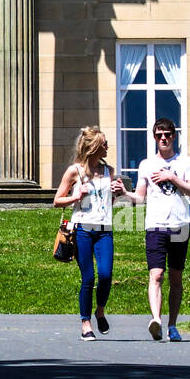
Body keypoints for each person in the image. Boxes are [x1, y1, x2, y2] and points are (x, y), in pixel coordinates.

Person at [118, 118, 190, 342]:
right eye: (158, 135)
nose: (163, 138)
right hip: (155, 226)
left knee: (175, 277)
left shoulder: (186, 163)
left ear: (174, 136)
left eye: (167, 134)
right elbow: (141, 198)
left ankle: (173, 324)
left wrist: (171, 177)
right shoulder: (146, 165)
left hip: (180, 225)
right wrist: (125, 192)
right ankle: (157, 320)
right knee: (156, 274)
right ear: (154, 137)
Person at [54, 126, 126, 340]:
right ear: (94, 147)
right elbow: (57, 201)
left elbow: (107, 203)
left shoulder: (108, 171)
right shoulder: (74, 171)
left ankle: (100, 310)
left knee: (105, 275)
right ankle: (86, 323)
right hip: (83, 229)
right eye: (104, 144)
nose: (107, 147)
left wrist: (117, 194)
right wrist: (76, 196)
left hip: (104, 229)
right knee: (88, 278)